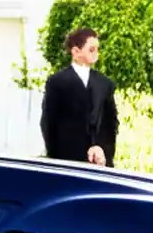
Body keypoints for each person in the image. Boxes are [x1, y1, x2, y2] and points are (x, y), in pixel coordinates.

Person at [40, 27, 118, 167]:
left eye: (97, 49)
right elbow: (49, 123)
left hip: (100, 162)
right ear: (76, 52)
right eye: (91, 49)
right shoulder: (57, 82)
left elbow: (110, 123)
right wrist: (57, 159)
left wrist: (103, 151)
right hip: (68, 162)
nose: (96, 54)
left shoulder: (104, 84)